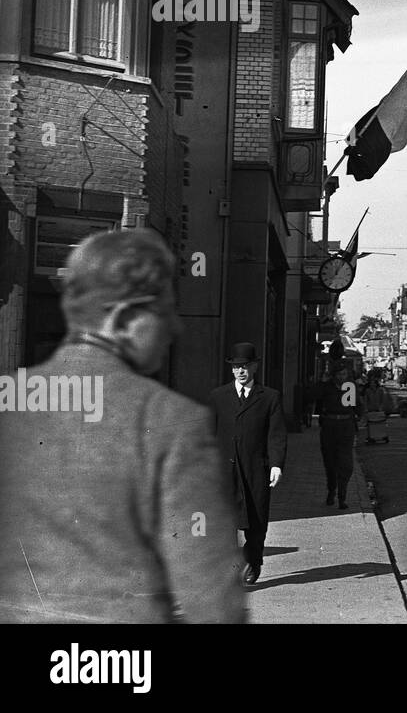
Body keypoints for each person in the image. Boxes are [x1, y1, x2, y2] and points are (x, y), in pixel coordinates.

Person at [0, 229, 245, 622]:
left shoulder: (9, 400)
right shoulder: (171, 421)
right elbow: (210, 592)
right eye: (164, 312)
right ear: (126, 318)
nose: (175, 328)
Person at [209, 342, 288, 586]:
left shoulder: (269, 397)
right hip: (225, 470)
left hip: (256, 470)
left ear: (254, 367)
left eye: (245, 366)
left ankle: (253, 561)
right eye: (236, 367)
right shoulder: (218, 396)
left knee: (256, 521)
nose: (240, 371)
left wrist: (276, 465)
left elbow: (276, 435)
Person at [317, 360, 362, 509]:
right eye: (339, 374)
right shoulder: (326, 387)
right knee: (330, 463)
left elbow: (358, 407)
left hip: (346, 427)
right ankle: (331, 490)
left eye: (344, 374)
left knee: (345, 464)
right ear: (333, 375)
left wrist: (360, 417)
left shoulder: (350, 387)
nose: (342, 377)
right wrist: (321, 384)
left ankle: (342, 497)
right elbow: (314, 399)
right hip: (329, 427)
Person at [363, 372, 390, 444]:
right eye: (371, 383)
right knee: (371, 424)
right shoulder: (367, 391)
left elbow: (383, 399)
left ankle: (381, 434)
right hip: (370, 409)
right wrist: (366, 408)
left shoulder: (380, 390)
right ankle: (371, 436)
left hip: (378, 408)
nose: (373, 385)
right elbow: (365, 400)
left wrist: (382, 407)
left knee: (380, 423)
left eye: (374, 383)